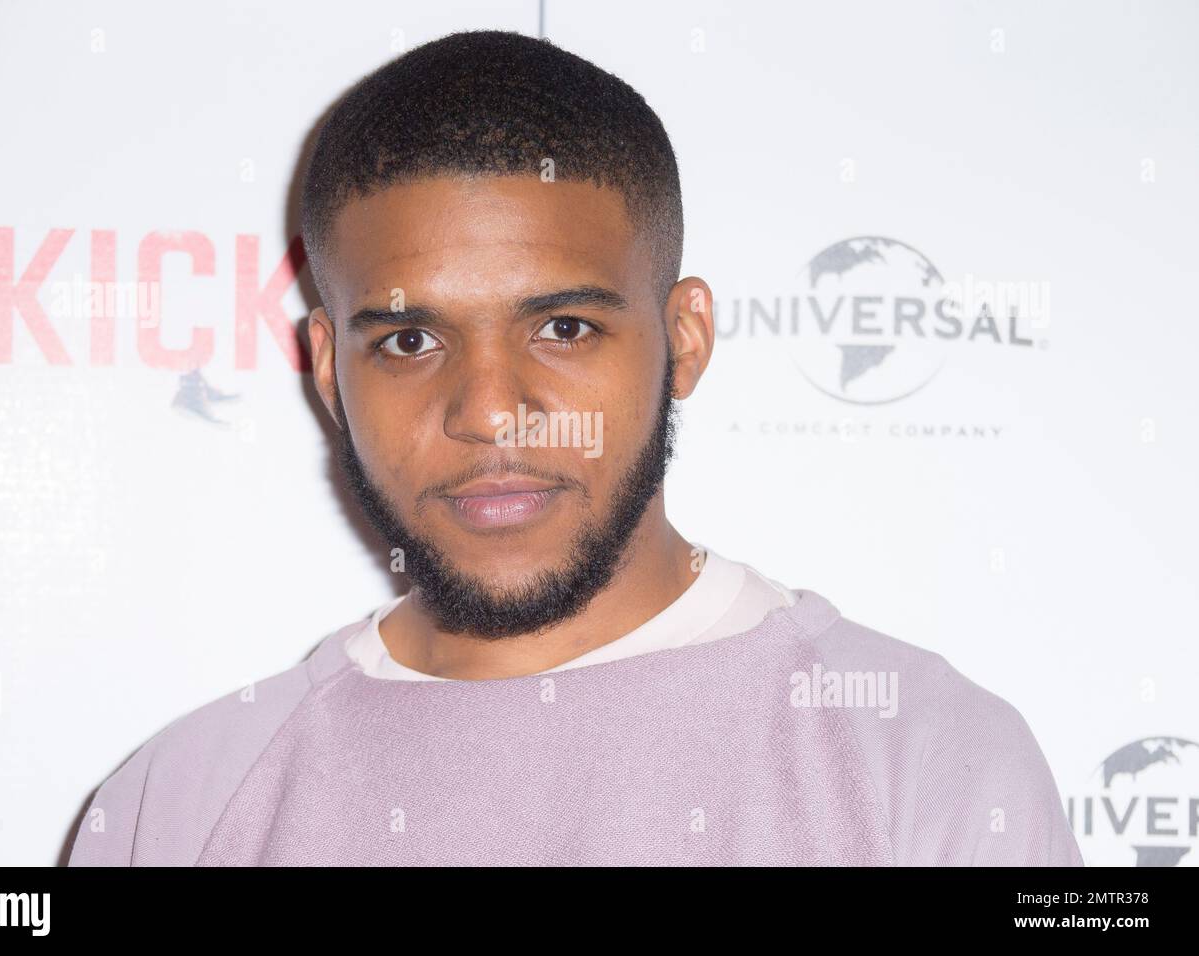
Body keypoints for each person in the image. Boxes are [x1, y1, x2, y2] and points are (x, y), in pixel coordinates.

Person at [67, 29, 1082, 866]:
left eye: (562, 328)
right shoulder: (176, 809)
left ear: (684, 339)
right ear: (330, 371)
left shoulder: (928, 768)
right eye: (410, 340)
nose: (491, 410)